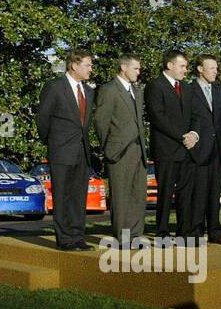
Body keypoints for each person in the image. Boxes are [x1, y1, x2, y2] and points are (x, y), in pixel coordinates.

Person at [36, 50, 96, 251]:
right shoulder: (54, 87)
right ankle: (65, 239)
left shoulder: (89, 91)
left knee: (79, 197)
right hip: (61, 151)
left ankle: (78, 237)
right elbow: (42, 119)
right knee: (62, 196)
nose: (91, 69)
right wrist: (53, 142)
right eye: (87, 65)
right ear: (74, 65)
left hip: (82, 152)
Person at [91, 55, 148, 247]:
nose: (138, 72)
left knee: (138, 195)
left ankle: (136, 236)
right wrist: (109, 147)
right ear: (123, 67)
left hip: (138, 149)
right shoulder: (108, 89)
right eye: (135, 68)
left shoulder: (137, 91)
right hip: (118, 151)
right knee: (121, 196)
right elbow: (101, 121)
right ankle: (123, 238)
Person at [143, 50, 198, 239]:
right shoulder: (155, 86)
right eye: (182, 66)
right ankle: (163, 233)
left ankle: (184, 233)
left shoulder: (187, 88)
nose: (185, 70)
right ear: (169, 65)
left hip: (187, 150)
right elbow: (157, 117)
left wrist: (194, 134)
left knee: (186, 195)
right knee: (165, 194)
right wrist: (182, 136)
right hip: (166, 150)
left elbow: (195, 115)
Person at [185, 54, 221, 244]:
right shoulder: (188, 90)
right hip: (198, 150)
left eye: (216, 68)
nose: (216, 71)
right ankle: (195, 232)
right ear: (200, 69)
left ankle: (215, 231)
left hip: (218, 149)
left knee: (215, 192)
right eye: (212, 68)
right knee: (199, 193)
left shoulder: (219, 91)